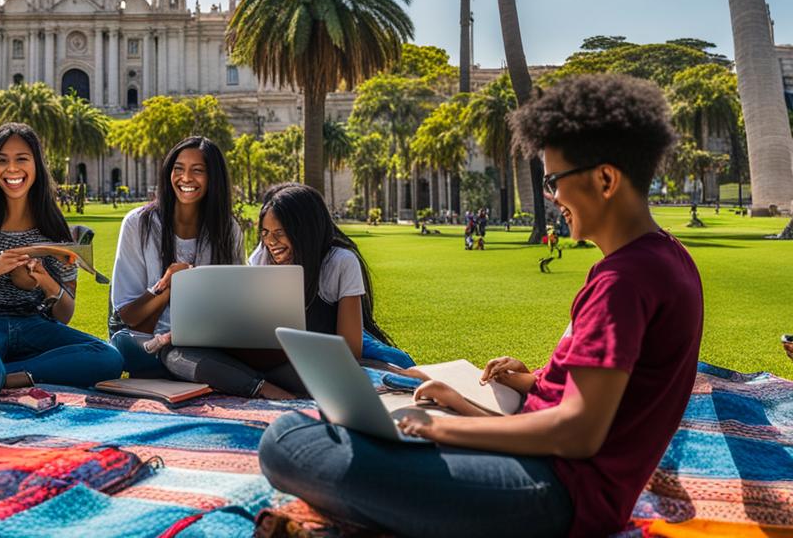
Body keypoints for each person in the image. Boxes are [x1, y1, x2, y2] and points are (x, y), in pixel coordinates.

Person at [259, 73, 702, 538]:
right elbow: (590, 401)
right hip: (546, 474)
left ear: (606, 178)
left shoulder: (624, 281)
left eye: (554, 180)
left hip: (552, 496)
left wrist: (437, 430)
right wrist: (499, 391)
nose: (551, 196)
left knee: (287, 438)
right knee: (341, 424)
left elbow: (576, 433)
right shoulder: (663, 258)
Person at [161, 183, 413, 399]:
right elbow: (246, 327)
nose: (270, 242)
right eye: (265, 233)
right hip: (261, 362)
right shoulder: (262, 257)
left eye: (280, 233)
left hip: (312, 365)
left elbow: (349, 352)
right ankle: (258, 385)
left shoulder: (339, 262)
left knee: (384, 369)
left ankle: (246, 382)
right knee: (174, 353)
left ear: (304, 230)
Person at [0, 122, 123, 397]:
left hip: (33, 326)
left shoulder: (52, 222)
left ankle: (7, 374)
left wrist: (45, 282)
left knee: (109, 358)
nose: (12, 169)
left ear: (36, 164)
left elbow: (64, 315)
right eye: (2, 160)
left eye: (22, 159)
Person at [108, 137, 242, 377]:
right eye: (178, 169)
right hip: (144, 343)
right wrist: (167, 286)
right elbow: (128, 316)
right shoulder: (138, 224)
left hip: (206, 343)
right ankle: (255, 386)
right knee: (161, 352)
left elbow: (233, 310)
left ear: (214, 178)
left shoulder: (228, 229)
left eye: (198, 170)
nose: (186, 178)